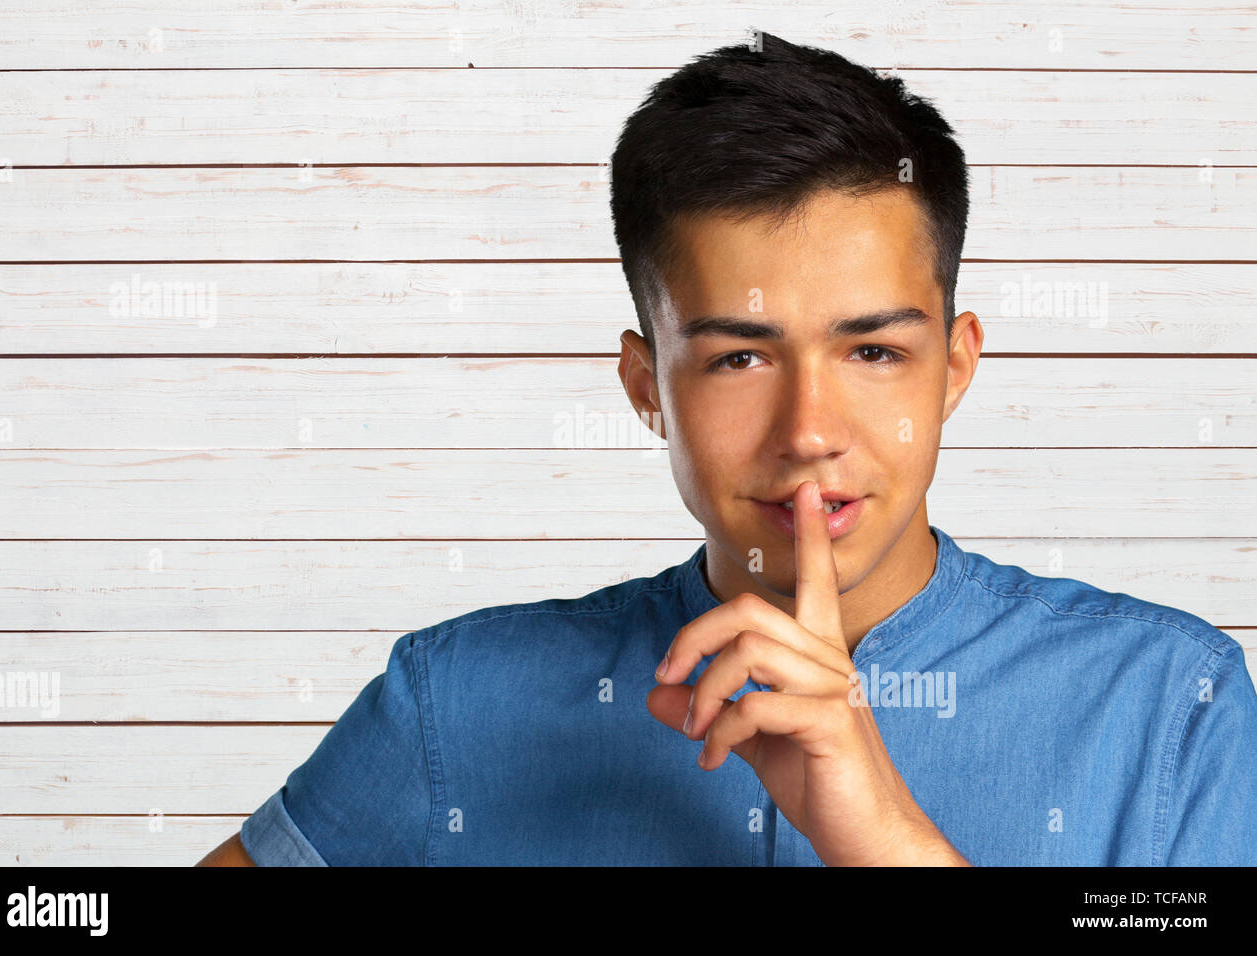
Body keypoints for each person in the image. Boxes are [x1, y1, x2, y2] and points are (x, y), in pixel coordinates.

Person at [198, 32, 1257, 866]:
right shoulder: (457, 699)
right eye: (739, 360)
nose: (807, 432)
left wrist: (885, 839)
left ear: (954, 366)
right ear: (643, 387)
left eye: (874, 350)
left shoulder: (1172, 705)